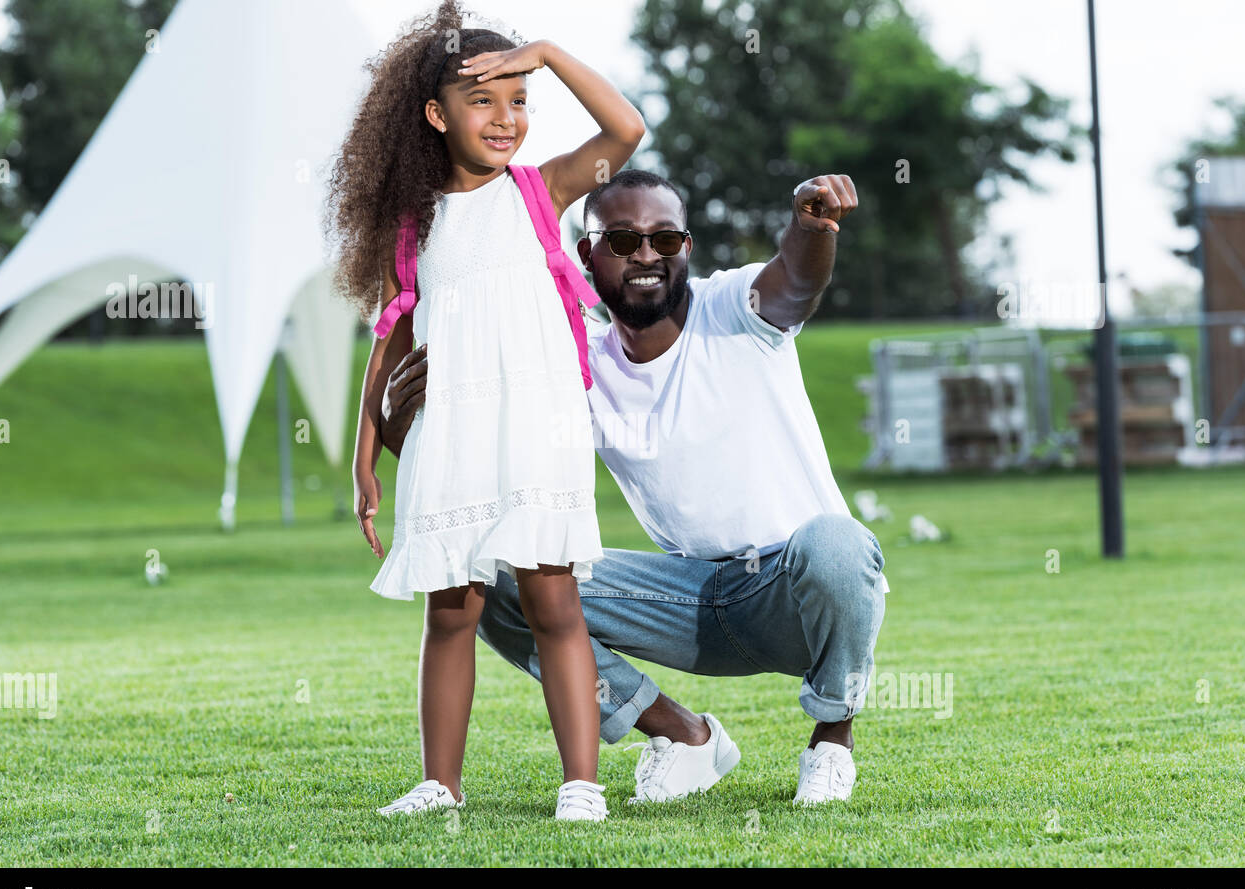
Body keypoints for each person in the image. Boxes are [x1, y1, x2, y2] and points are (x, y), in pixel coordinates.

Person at [378, 167, 889, 809]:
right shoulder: (572, 360)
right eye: (621, 241)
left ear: (686, 248)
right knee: (506, 574)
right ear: (586, 254)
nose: (646, 255)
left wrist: (811, 230)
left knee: (838, 542)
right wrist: (401, 428)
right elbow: (477, 457)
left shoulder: (734, 308)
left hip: (791, 588)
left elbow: (796, 283)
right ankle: (683, 734)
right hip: (689, 599)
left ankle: (831, 744)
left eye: (664, 239)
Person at [329, 1, 645, 821]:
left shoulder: (543, 191)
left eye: (519, 99)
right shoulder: (414, 226)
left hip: (536, 427)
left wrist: (548, 53)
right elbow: (391, 336)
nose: (507, 118)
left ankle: (581, 782)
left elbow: (626, 131)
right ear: (437, 114)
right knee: (450, 609)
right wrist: (364, 453)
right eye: (484, 100)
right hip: (453, 433)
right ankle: (441, 782)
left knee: (552, 603)